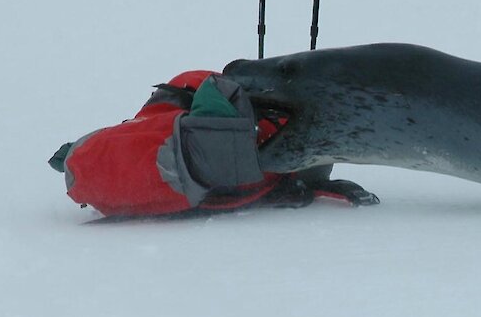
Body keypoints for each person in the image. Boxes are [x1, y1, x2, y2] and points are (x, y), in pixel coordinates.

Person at [48, 70, 377, 217]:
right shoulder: (94, 161)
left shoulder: (102, 196)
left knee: (192, 86)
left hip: (211, 174)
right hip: (207, 155)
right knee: (195, 84)